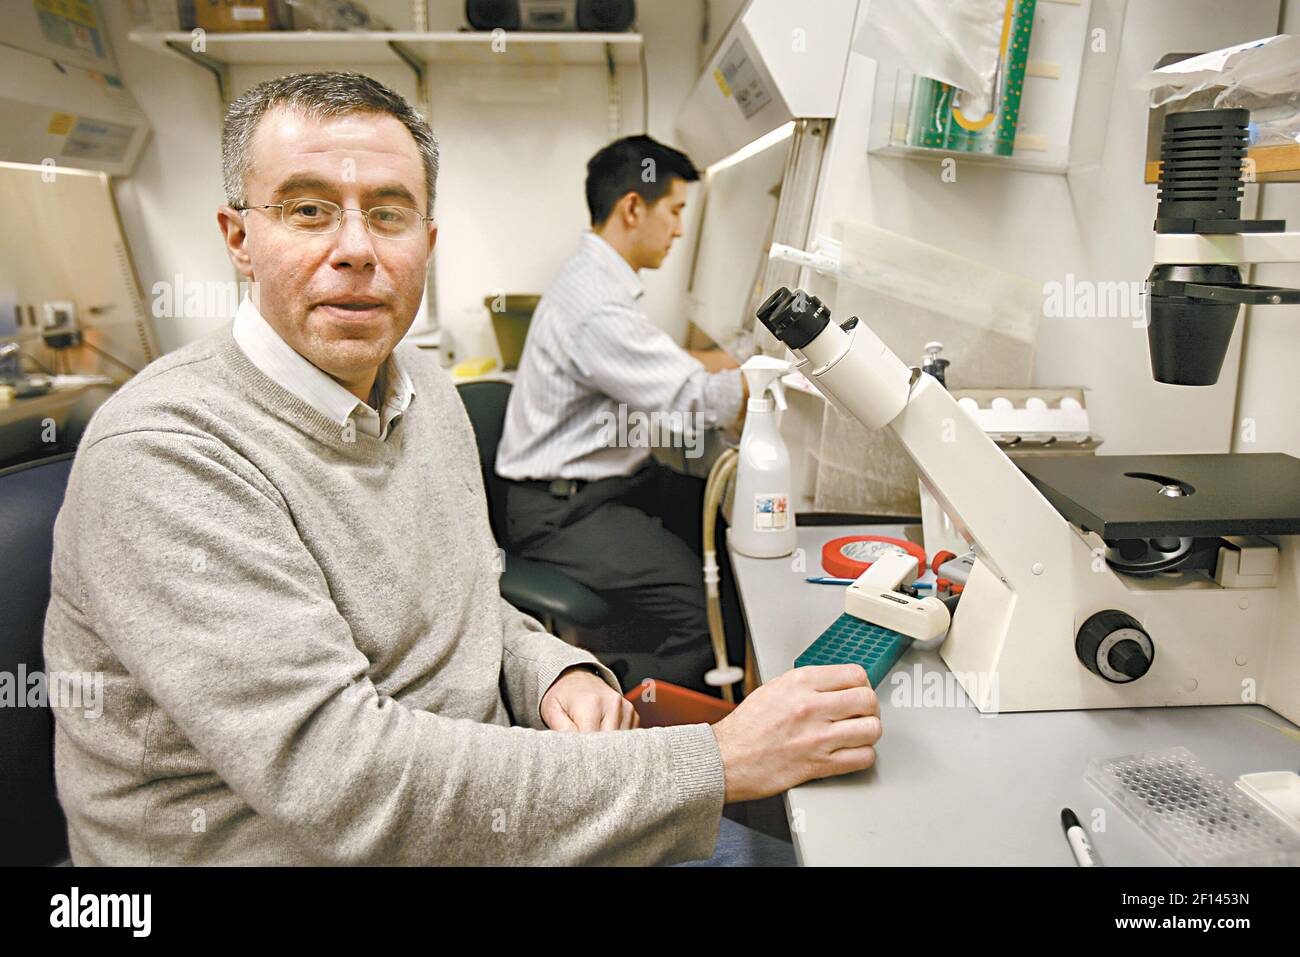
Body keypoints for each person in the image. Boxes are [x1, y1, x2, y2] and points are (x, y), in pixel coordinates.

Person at [43, 72, 881, 866]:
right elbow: (348, 785)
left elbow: (471, 604)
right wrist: (717, 760)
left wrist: (553, 670)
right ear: (239, 239)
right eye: (307, 210)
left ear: (428, 241)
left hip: (457, 807)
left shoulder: (426, 395)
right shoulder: (167, 458)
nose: (356, 249)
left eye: (390, 213)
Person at [496, 135, 744, 692]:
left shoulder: (601, 282)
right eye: (676, 211)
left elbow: (662, 363)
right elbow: (692, 400)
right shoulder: (596, 303)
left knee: (727, 549)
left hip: (610, 483)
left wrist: (734, 361)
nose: (680, 229)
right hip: (561, 511)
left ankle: (714, 688)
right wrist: (768, 384)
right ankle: (609, 716)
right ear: (634, 208)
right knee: (705, 612)